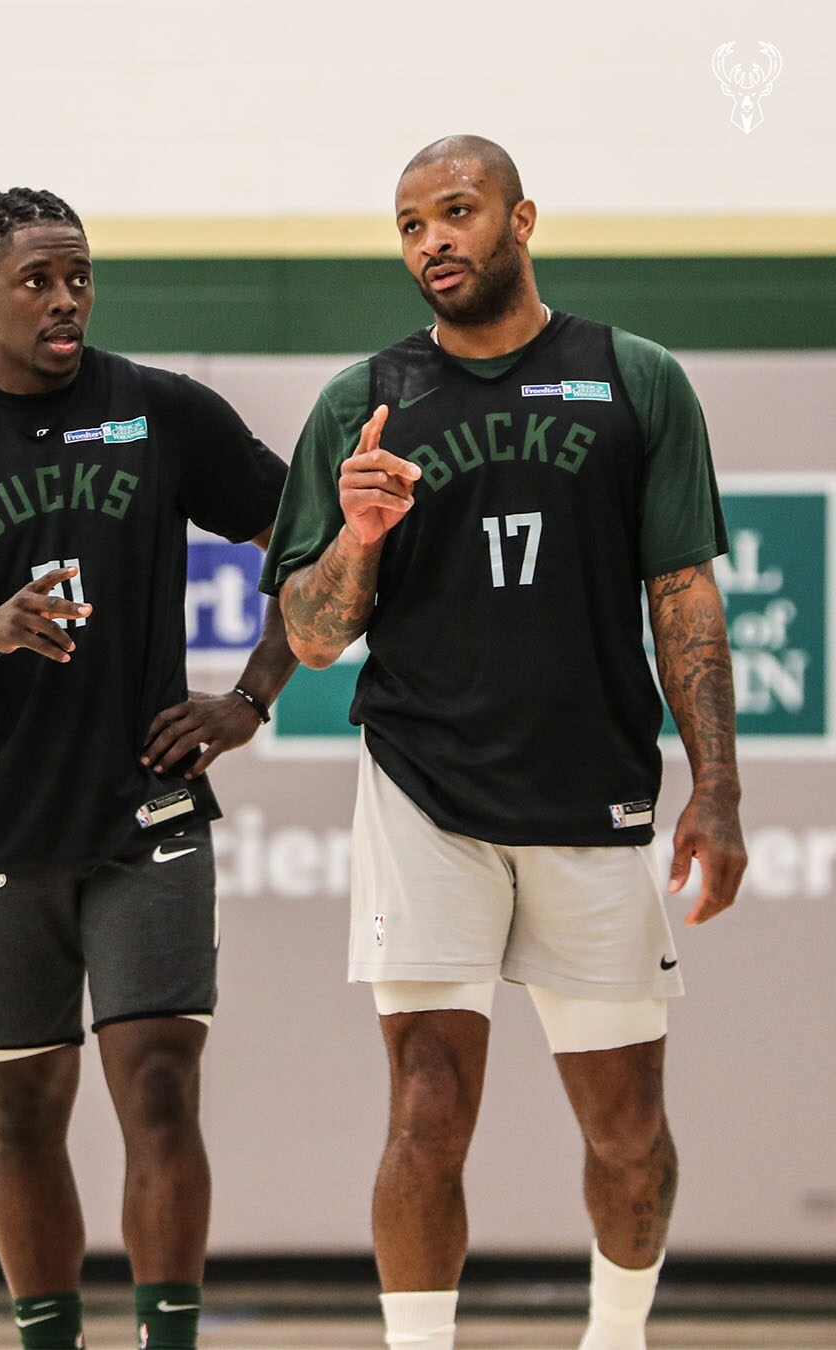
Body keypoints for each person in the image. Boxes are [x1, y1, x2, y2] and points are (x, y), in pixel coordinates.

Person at [260, 135, 747, 1350]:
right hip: (424, 791)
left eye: (458, 212)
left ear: (522, 219)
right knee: (427, 1106)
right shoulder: (362, 402)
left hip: (591, 792)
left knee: (627, 1129)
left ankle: (617, 1335)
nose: (433, 241)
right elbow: (312, 639)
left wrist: (719, 787)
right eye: (411, 224)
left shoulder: (636, 379)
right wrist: (359, 538)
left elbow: (682, 593)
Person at [0, 187, 296, 1350]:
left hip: (147, 816)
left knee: (156, 1088)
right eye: (37, 279)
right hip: (2, 823)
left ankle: (168, 1339)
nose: (64, 299)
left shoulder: (157, 411)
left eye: (80, 276)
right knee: (23, 1115)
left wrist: (250, 699)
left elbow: (304, 544)